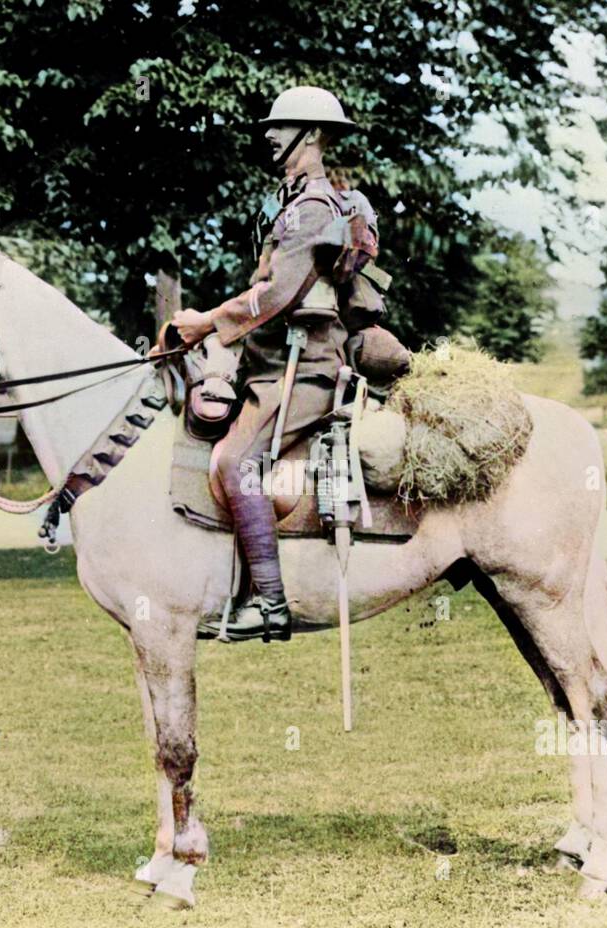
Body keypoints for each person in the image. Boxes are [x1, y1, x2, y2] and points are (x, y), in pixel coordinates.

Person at [173, 86, 361, 642]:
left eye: (284, 127)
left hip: (305, 366)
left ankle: (270, 605)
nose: (270, 135)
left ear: (315, 136)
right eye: (271, 127)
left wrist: (208, 321)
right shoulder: (285, 202)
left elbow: (276, 294)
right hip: (271, 363)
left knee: (234, 463)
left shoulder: (313, 210)